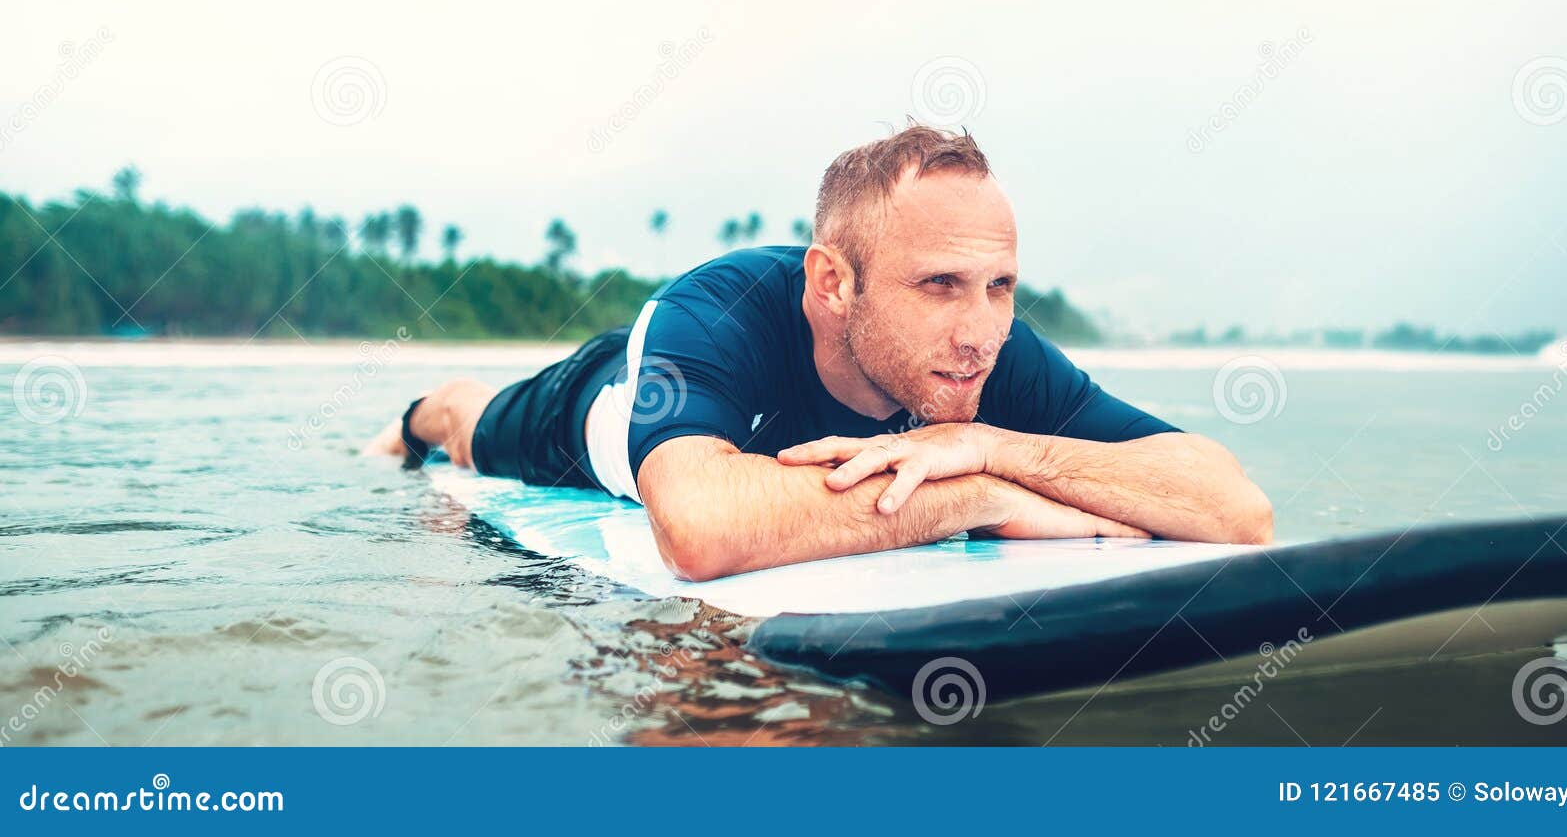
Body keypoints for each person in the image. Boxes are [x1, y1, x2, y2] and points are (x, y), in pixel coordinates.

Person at [365, 124, 1272, 580]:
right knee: (467, 424)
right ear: (835, 284)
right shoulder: (718, 312)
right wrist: (982, 498)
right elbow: (701, 529)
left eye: (1000, 286)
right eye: (938, 285)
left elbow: (1236, 506)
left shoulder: (988, 350)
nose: (979, 330)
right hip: (596, 406)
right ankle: (419, 413)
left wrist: (994, 445)